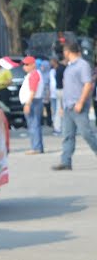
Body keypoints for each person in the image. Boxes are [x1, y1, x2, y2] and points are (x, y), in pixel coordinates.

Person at [52, 41, 97, 170]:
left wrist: (81, 102)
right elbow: (67, 88)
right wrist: (61, 106)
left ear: (68, 51)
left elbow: (88, 84)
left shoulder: (82, 65)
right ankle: (66, 161)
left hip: (78, 106)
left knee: (86, 133)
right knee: (67, 135)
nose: (64, 54)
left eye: (64, 51)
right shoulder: (69, 66)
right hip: (68, 106)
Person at [19, 55, 45, 153]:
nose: (24, 67)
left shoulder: (34, 75)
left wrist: (27, 104)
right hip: (34, 101)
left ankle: (36, 147)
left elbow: (33, 90)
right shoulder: (33, 74)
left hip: (33, 102)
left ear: (33, 65)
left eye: (26, 64)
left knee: (33, 125)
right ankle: (37, 146)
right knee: (34, 124)